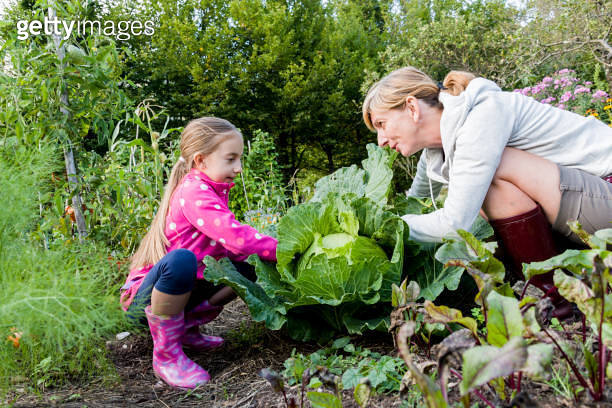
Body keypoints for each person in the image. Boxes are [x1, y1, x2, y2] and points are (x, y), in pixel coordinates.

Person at [362, 67, 612, 316]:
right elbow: (415, 200)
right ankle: (560, 291)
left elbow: (454, 223)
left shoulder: (481, 116)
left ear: (412, 108)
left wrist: (388, 227)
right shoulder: (436, 149)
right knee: (478, 188)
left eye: (382, 124)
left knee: (490, 178)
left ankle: (555, 306)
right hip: (585, 207)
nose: (381, 140)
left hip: (605, 189)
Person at [120, 117, 277, 389]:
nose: (238, 168)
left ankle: (186, 329)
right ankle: (167, 355)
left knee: (248, 264)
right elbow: (236, 237)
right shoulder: (194, 192)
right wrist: (283, 249)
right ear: (201, 161)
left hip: (181, 291)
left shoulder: (212, 190)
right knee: (181, 261)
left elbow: (237, 249)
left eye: (239, 159)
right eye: (231, 159)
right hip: (143, 304)